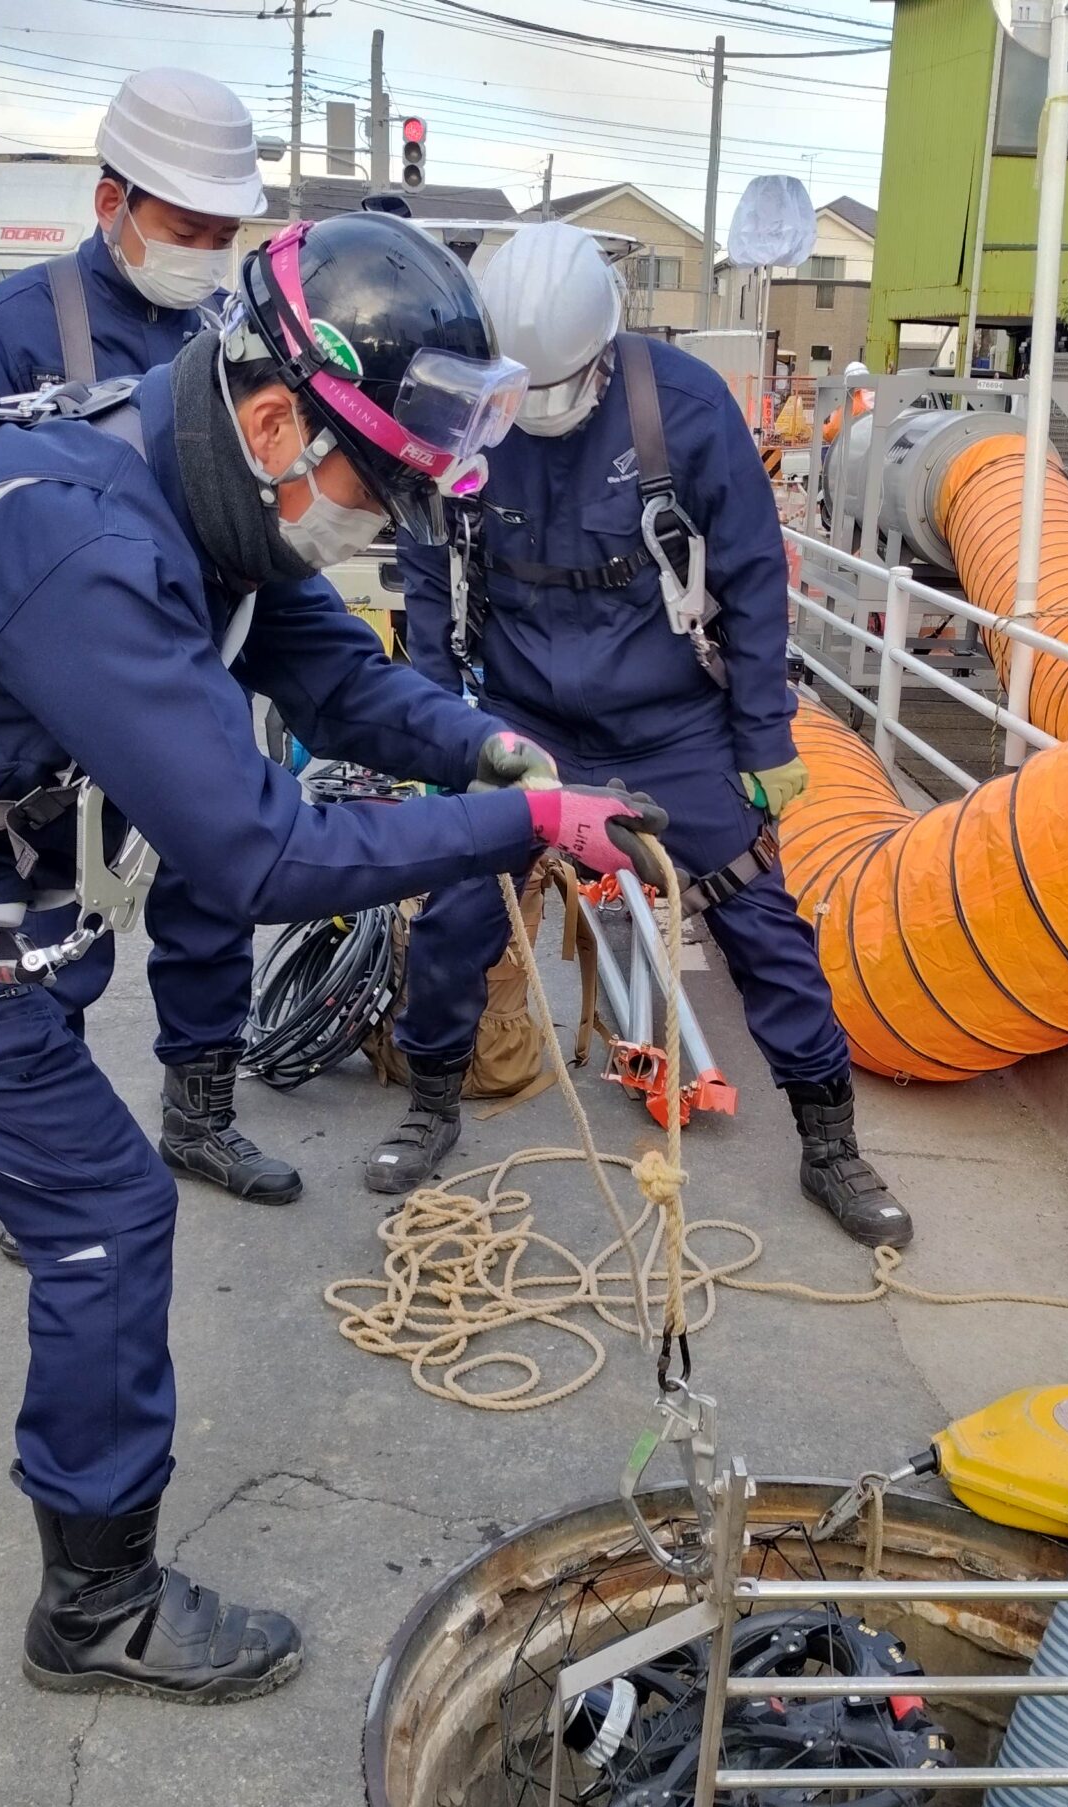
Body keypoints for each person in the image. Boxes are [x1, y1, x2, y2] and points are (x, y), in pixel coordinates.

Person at [0, 212, 663, 1702]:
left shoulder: (187, 456)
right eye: (379, 489)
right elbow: (262, 853)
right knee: (101, 1209)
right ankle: (95, 1605)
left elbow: (332, 669)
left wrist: (482, 749)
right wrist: (515, 826)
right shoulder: (83, 544)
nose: (386, 525)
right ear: (280, 417)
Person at [373, 222, 911, 1251]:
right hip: (523, 718)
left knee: (758, 917)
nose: (535, 414)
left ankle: (830, 1140)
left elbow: (753, 582)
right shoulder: (454, 418)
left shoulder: (681, 408)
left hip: (670, 722)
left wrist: (761, 738)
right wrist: (443, 737)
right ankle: (430, 1102)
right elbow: (430, 591)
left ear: (602, 347)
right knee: (456, 909)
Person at [0, 68, 305, 1219]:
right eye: (184, 228)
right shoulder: (7, 332)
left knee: (211, 897)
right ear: (112, 203)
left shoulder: (234, 336)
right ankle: (50, 1162)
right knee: (55, 931)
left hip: (201, 666)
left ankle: (199, 1119)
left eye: (222, 231)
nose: (202, 249)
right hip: (52, 706)